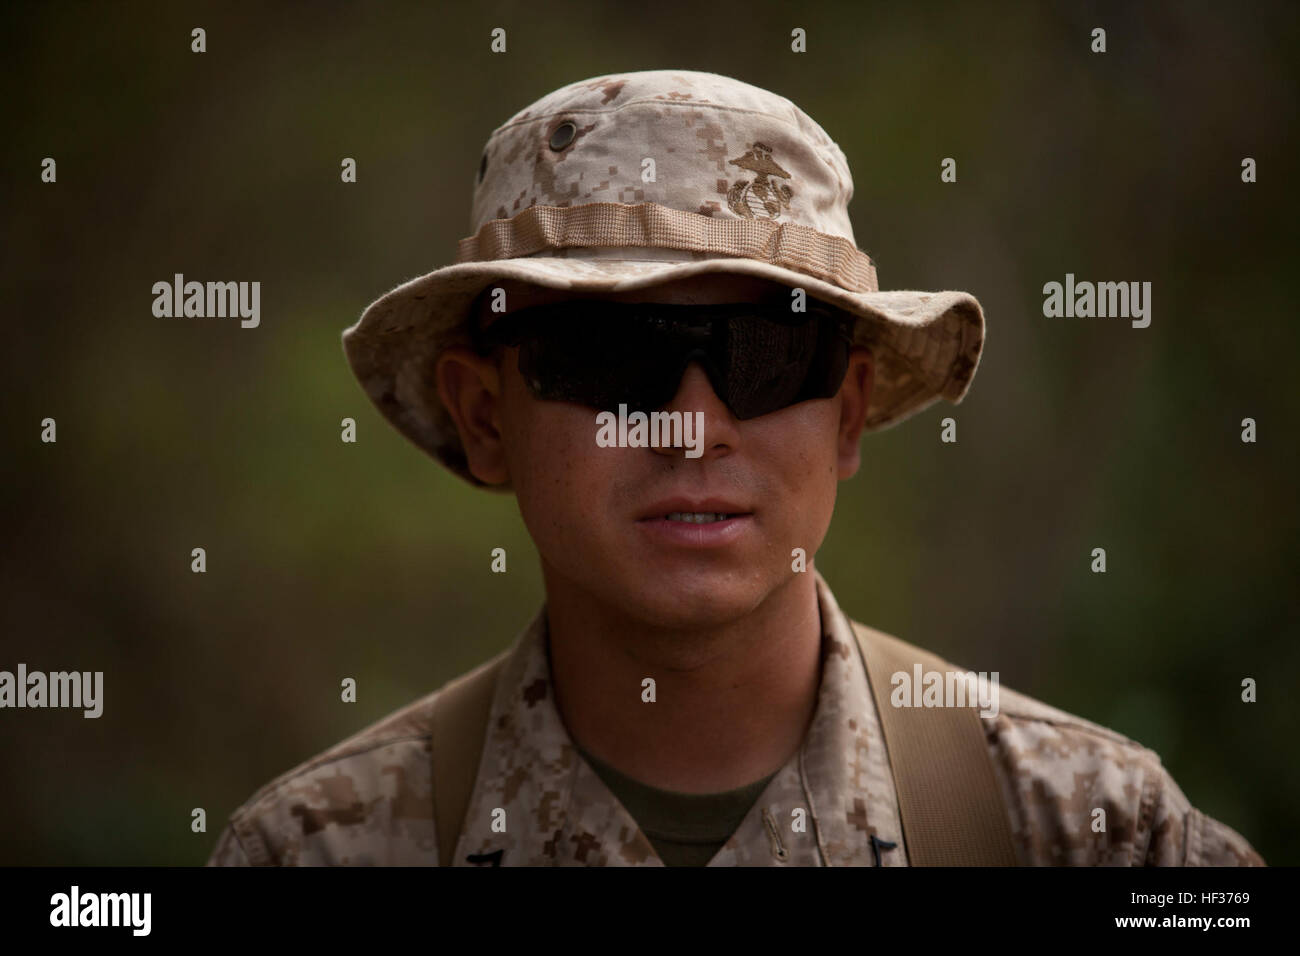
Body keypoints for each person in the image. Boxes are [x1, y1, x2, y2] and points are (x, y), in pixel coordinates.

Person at [207, 69, 1263, 867]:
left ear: (846, 414)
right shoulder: (320, 848)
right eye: (614, 355)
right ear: (487, 417)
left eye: (768, 355)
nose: (694, 426)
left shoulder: (1094, 832)